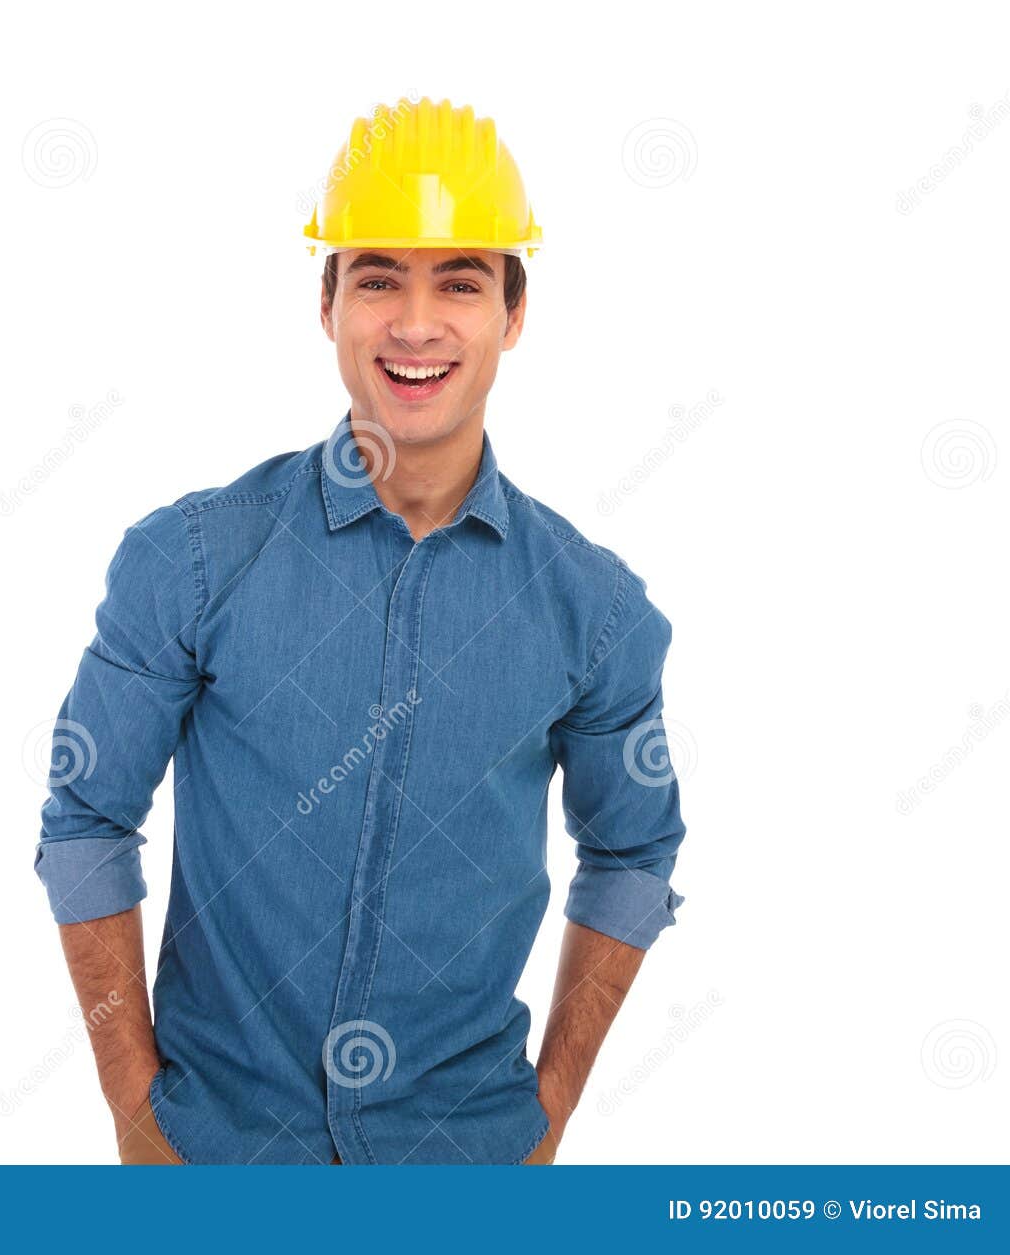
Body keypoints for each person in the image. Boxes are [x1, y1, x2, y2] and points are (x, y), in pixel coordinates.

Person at [34, 98, 687, 1165]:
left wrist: (550, 1114)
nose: (416, 323)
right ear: (328, 302)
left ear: (513, 314)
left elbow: (634, 849)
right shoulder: (191, 561)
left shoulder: (597, 611)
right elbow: (85, 817)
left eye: (461, 281)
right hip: (217, 1160)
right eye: (378, 276)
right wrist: (134, 1112)